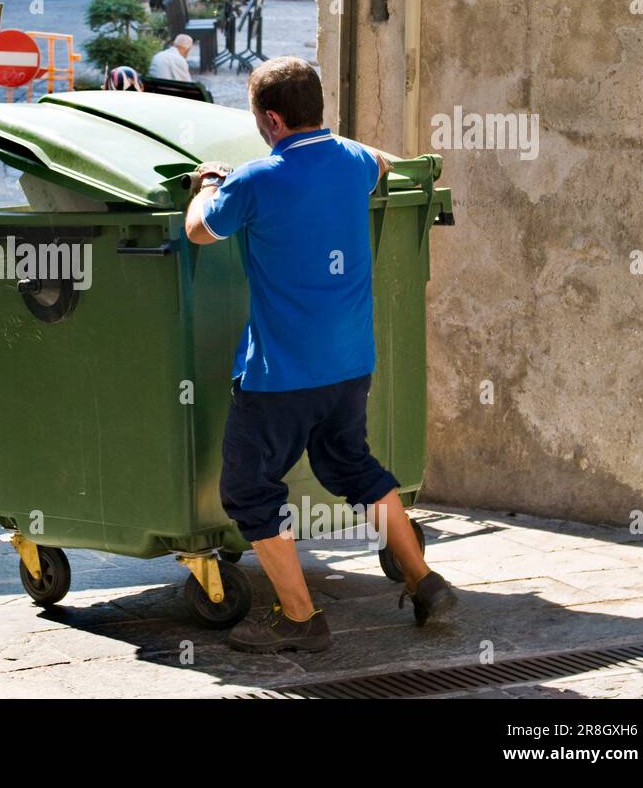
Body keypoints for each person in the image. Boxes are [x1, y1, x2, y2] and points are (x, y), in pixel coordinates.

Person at [183, 56, 458, 653]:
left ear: (273, 119)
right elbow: (382, 163)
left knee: (249, 490)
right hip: (349, 364)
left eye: (260, 118)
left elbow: (199, 231)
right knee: (355, 468)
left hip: (278, 377)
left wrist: (208, 183)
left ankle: (300, 617)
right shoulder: (355, 163)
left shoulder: (256, 180)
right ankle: (423, 580)